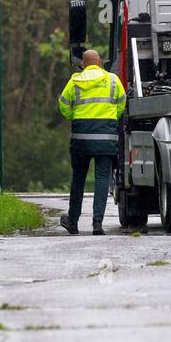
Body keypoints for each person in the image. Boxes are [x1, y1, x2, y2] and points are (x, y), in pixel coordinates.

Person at [57, 49, 126, 235]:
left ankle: (73, 221)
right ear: (100, 62)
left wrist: (75, 118)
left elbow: (63, 103)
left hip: (81, 139)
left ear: (84, 64)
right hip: (106, 139)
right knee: (102, 178)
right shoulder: (112, 80)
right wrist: (110, 118)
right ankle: (97, 224)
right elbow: (122, 103)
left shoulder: (75, 81)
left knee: (78, 179)